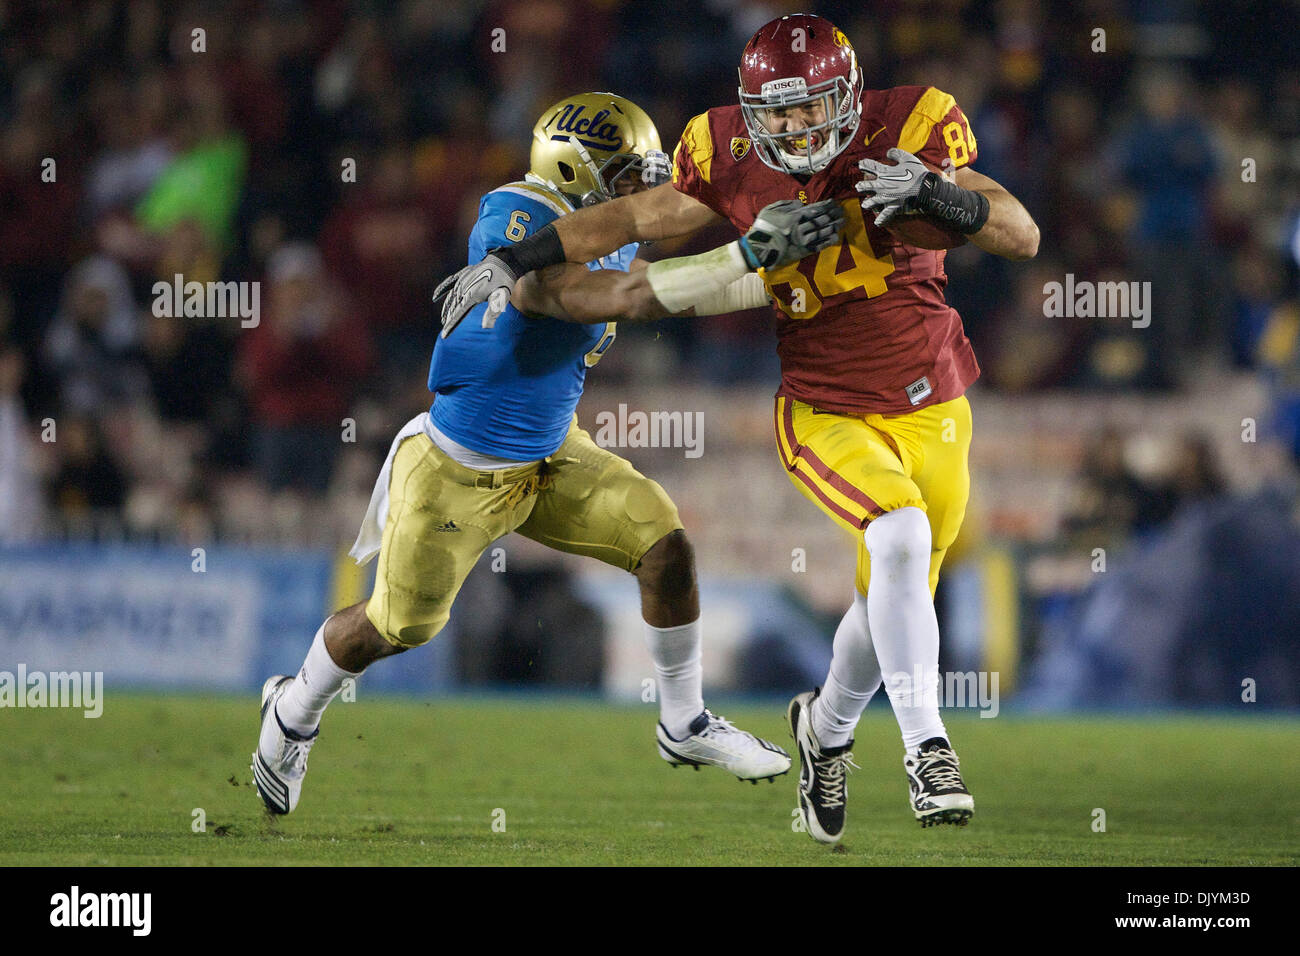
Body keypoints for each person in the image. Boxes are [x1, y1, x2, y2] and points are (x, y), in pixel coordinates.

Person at [436, 15, 1040, 843]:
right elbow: (635, 219)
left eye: (808, 108)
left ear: (848, 94)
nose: (792, 128)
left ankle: (825, 732)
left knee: (888, 592)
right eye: (777, 113)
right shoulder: (725, 152)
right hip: (825, 408)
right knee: (897, 541)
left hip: (936, 403)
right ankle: (928, 749)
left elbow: (1022, 233)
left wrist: (942, 198)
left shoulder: (911, 124)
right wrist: (517, 257)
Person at [252, 91, 844, 816]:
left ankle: (683, 721)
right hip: (458, 469)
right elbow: (615, 297)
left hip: (551, 455)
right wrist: (750, 253)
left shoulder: (612, 231)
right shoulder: (518, 216)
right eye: (627, 175)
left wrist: (785, 281)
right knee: (396, 627)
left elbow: (673, 293)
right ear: (574, 170)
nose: (641, 191)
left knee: (666, 548)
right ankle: (292, 710)